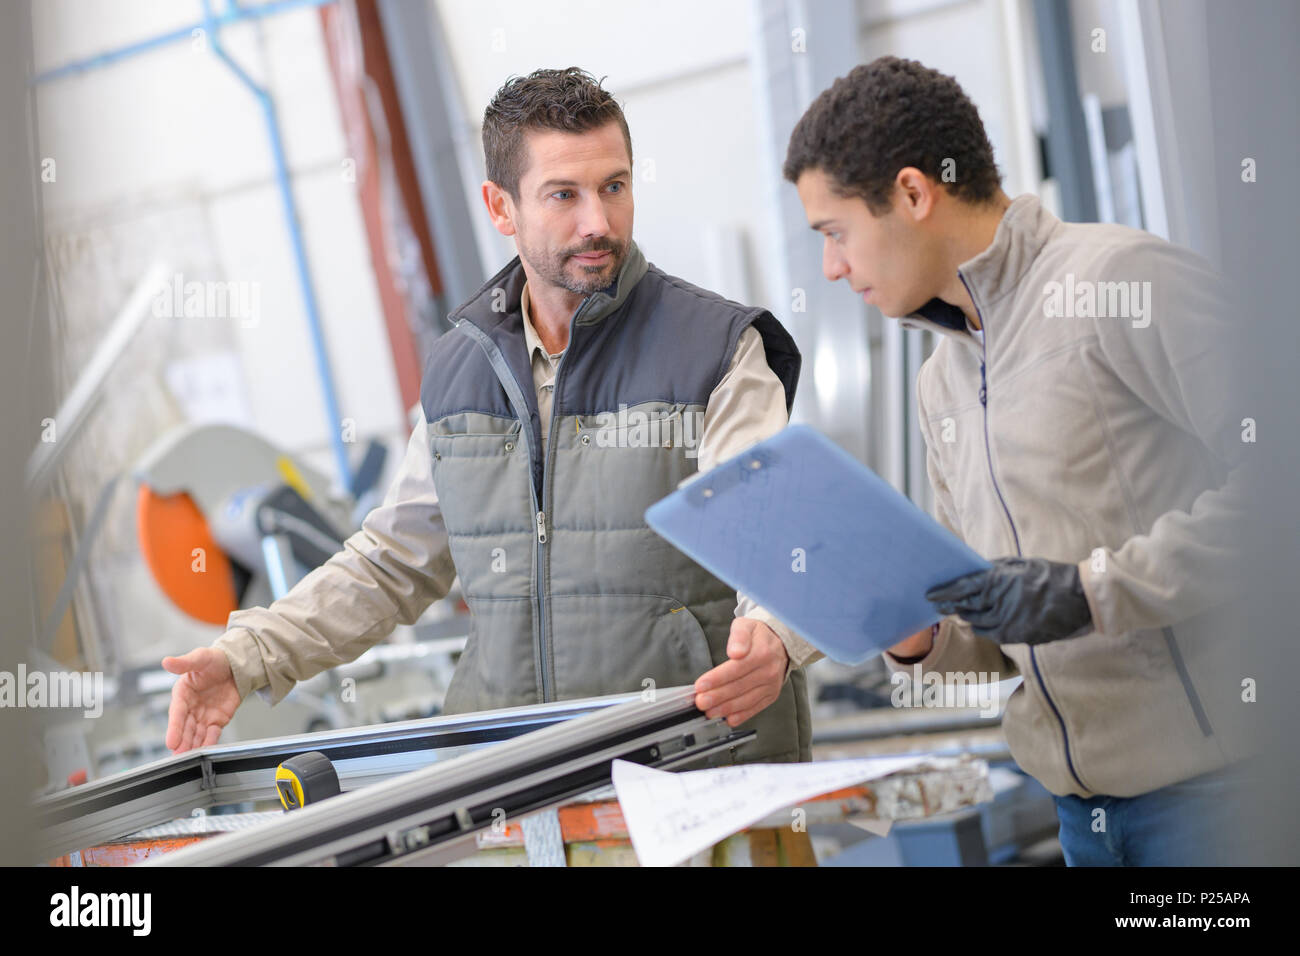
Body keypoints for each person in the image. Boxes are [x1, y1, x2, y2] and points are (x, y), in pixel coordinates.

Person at [163, 67, 820, 764]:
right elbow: (392, 562)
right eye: (563, 195)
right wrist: (248, 655)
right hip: (513, 785)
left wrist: (776, 633)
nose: (598, 221)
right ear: (501, 209)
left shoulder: (714, 349)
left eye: (615, 187)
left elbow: (775, 537)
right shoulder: (459, 370)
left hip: (700, 770)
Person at [783, 56, 1257, 864]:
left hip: (1220, 797)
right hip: (1083, 820)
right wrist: (917, 637)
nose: (831, 268)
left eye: (835, 233)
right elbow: (993, 645)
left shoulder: (1123, 281)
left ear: (911, 194)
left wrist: (1089, 591)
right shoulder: (941, 382)